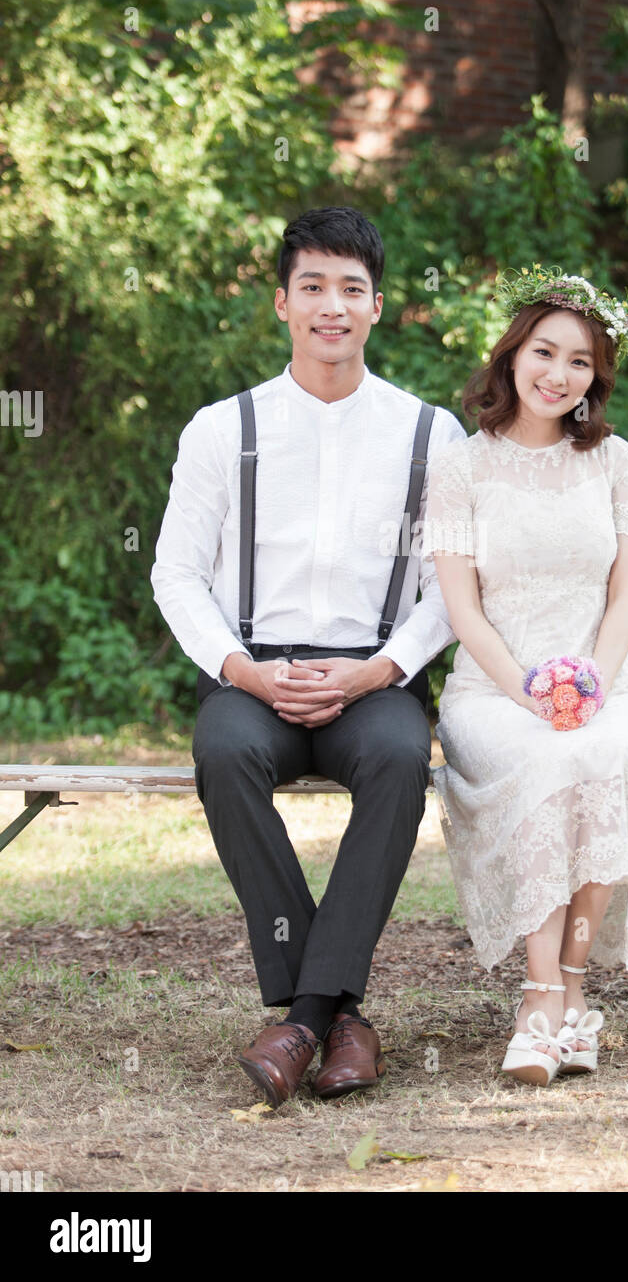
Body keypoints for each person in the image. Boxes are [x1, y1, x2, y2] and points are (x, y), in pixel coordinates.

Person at [151, 206, 466, 1105]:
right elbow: (175, 573)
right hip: (255, 673)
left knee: (406, 758)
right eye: (314, 288)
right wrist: (241, 671)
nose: (334, 306)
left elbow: (451, 587)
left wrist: (382, 670)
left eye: (352, 290)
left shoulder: (429, 434)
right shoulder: (221, 428)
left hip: (377, 677)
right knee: (224, 750)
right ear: (282, 303)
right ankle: (335, 1018)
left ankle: (302, 1017)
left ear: (378, 307)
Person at [425, 265, 628, 1086]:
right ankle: (544, 996)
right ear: (512, 353)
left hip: (607, 682)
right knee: (550, 756)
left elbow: (624, 592)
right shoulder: (464, 467)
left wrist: (592, 682)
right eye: (545, 352)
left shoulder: (615, 461)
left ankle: (566, 994)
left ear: (598, 377)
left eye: (581, 363)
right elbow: (463, 609)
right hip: (496, 690)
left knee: (596, 753)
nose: (559, 375)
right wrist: (532, 689)